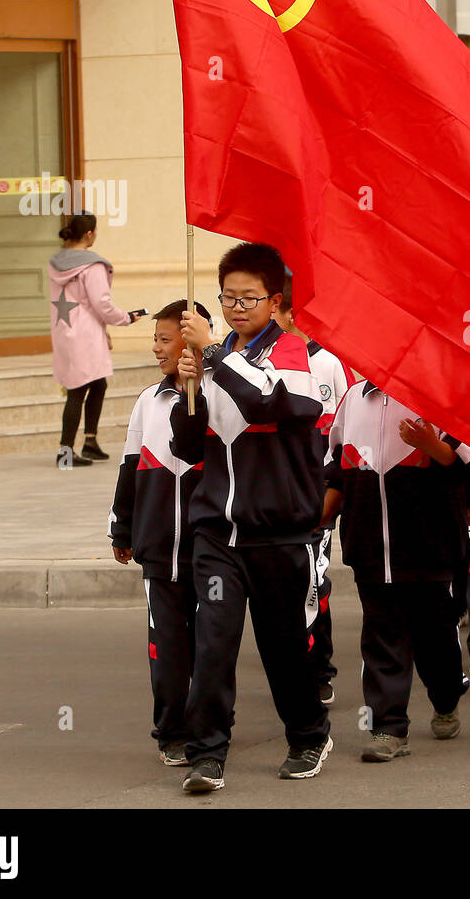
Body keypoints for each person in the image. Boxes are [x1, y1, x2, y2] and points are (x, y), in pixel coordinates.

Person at [171, 242, 331, 792]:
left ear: (274, 300)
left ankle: (309, 735)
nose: (238, 308)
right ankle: (207, 754)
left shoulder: (293, 353)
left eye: (249, 298)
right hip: (217, 530)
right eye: (228, 298)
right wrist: (189, 389)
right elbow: (188, 447)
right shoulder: (215, 360)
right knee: (213, 644)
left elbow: (272, 404)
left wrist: (214, 355)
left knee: (283, 646)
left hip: (279, 530)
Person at [321, 383, 470, 762]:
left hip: (430, 548)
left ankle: (446, 697)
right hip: (369, 546)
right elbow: (339, 470)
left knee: (434, 637)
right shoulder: (354, 399)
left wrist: (431, 446)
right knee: (381, 637)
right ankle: (388, 727)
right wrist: (319, 517)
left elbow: (469, 472)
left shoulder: (442, 394)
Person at [108, 298, 211, 767]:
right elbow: (131, 468)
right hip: (158, 552)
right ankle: (172, 730)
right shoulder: (148, 402)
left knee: (210, 645)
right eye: (156, 339)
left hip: (212, 550)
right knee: (167, 644)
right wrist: (122, 528)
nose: (156, 348)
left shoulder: (218, 395)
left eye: (164, 339)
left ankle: (211, 728)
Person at [276, 277, 355, 705]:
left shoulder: (331, 364)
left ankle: (320, 668)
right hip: (278, 493)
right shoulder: (268, 364)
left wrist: (335, 488)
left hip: (319, 493)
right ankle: (295, 660)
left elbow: (345, 426)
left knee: (314, 577)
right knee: (289, 582)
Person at [49, 213, 141, 467]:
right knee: (78, 390)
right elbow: (101, 303)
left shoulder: (56, 263)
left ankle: (90, 442)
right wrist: (127, 318)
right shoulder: (92, 265)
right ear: (89, 234)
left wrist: (104, 331)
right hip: (85, 333)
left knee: (97, 385)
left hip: (65, 329)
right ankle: (65, 452)